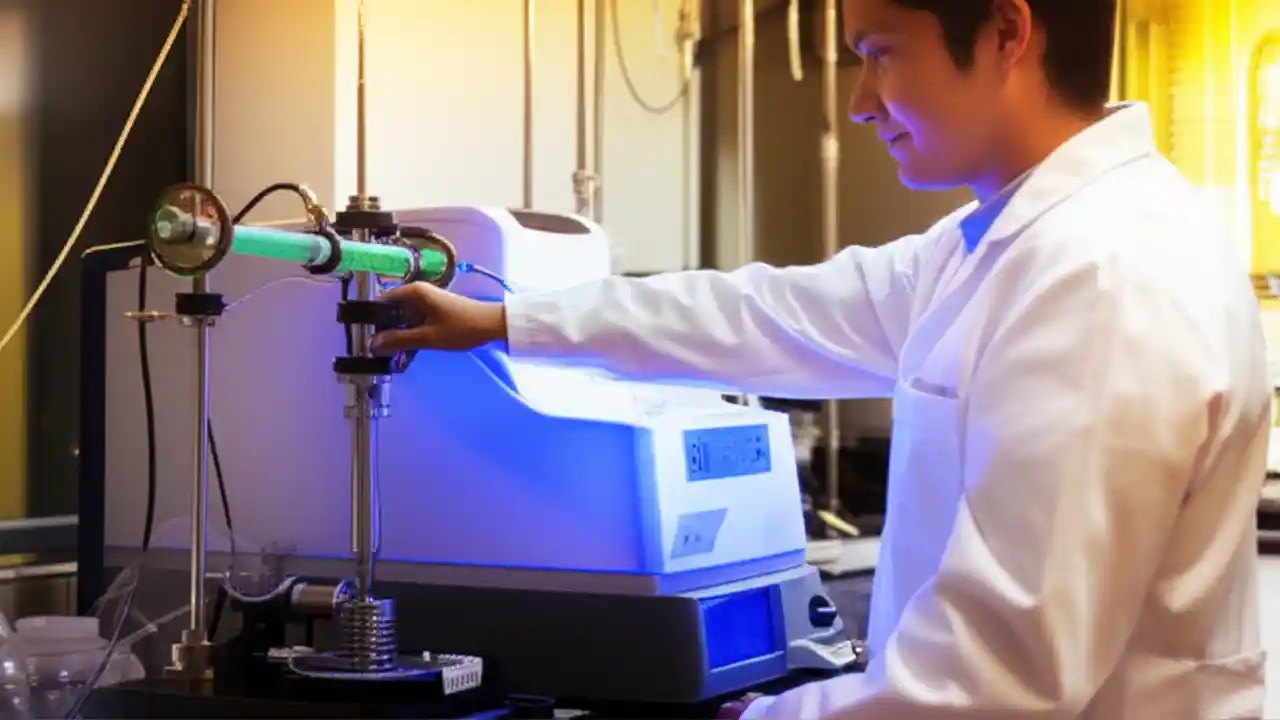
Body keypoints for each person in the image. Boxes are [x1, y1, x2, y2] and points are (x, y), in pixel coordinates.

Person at [373, 0, 1271, 717]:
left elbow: (999, 681)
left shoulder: (1103, 274)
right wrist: (506, 319)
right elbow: (766, 312)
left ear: (1007, 31)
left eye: (880, 52)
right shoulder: (994, 242)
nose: (860, 100)